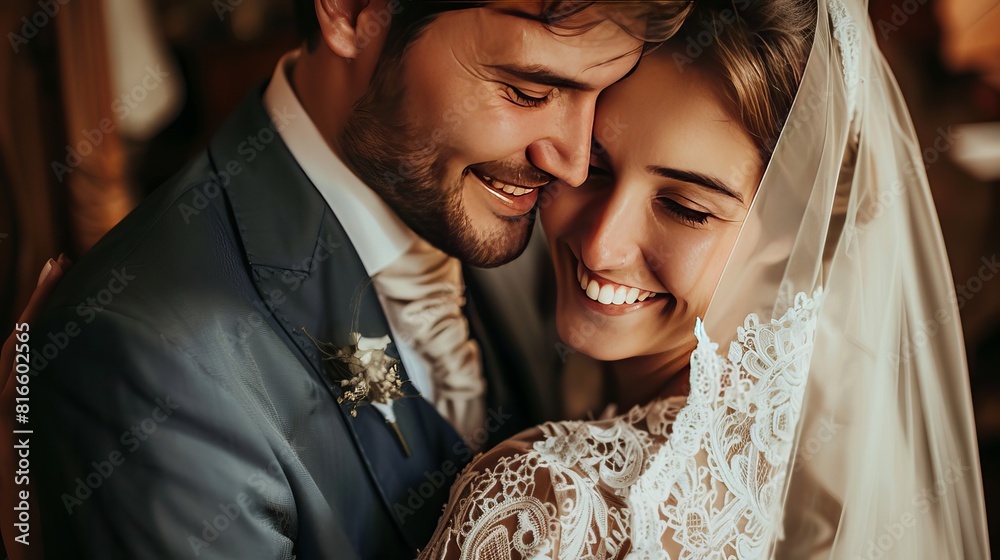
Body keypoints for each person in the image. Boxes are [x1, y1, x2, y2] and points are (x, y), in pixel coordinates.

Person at [19, 1, 692, 558]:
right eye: (529, 91)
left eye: (601, 92)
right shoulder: (144, 359)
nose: (574, 163)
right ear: (351, 13)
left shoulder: (519, 216)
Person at [419, 0, 991, 557]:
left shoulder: (547, 506)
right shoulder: (855, 437)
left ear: (796, 229)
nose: (601, 244)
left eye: (686, 209)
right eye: (592, 166)